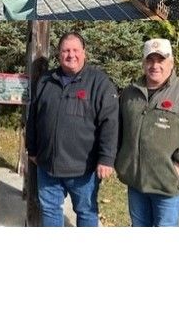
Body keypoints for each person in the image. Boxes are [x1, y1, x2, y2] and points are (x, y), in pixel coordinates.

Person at [25, 31, 119, 226]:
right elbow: (33, 116)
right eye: (66, 51)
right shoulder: (46, 80)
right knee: (49, 209)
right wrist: (31, 149)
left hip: (83, 169)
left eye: (75, 50)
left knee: (86, 212)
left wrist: (106, 159)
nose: (71, 55)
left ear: (84, 52)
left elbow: (110, 123)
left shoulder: (99, 82)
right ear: (59, 54)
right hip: (48, 166)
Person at [116, 38, 179, 226]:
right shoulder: (130, 93)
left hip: (167, 185)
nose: (155, 65)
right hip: (136, 183)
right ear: (143, 63)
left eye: (161, 60)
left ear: (171, 62)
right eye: (150, 60)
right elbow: (118, 130)